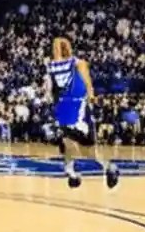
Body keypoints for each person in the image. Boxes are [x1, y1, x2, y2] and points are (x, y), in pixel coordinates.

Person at [48, 37, 119, 189]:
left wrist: (91, 97)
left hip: (78, 108)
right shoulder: (52, 66)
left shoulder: (77, 63)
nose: (53, 49)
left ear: (63, 48)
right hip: (63, 107)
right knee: (65, 142)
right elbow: (51, 89)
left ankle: (108, 168)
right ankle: (71, 173)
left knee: (86, 149)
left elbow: (88, 83)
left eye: (56, 46)